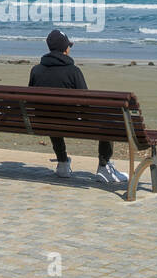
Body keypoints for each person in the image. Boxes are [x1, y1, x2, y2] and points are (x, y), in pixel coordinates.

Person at [28, 29, 128, 185]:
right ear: (65, 49)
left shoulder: (36, 70)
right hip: (73, 123)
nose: (69, 49)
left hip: (43, 122)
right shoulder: (73, 71)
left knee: (51, 115)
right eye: (69, 46)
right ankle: (104, 168)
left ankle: (62, 163)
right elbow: (86, 102)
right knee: (108, 120)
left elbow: (30, 101)